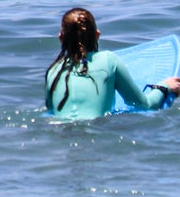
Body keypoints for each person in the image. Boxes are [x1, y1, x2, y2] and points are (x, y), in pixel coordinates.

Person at [45, 8, 180, 120]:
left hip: (60, 132)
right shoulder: (109, 59)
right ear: (97, 35)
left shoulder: (53, 70)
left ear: (61, 38)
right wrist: (164, 86)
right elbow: (143, 105)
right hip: (96, 131)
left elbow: (52, 112)